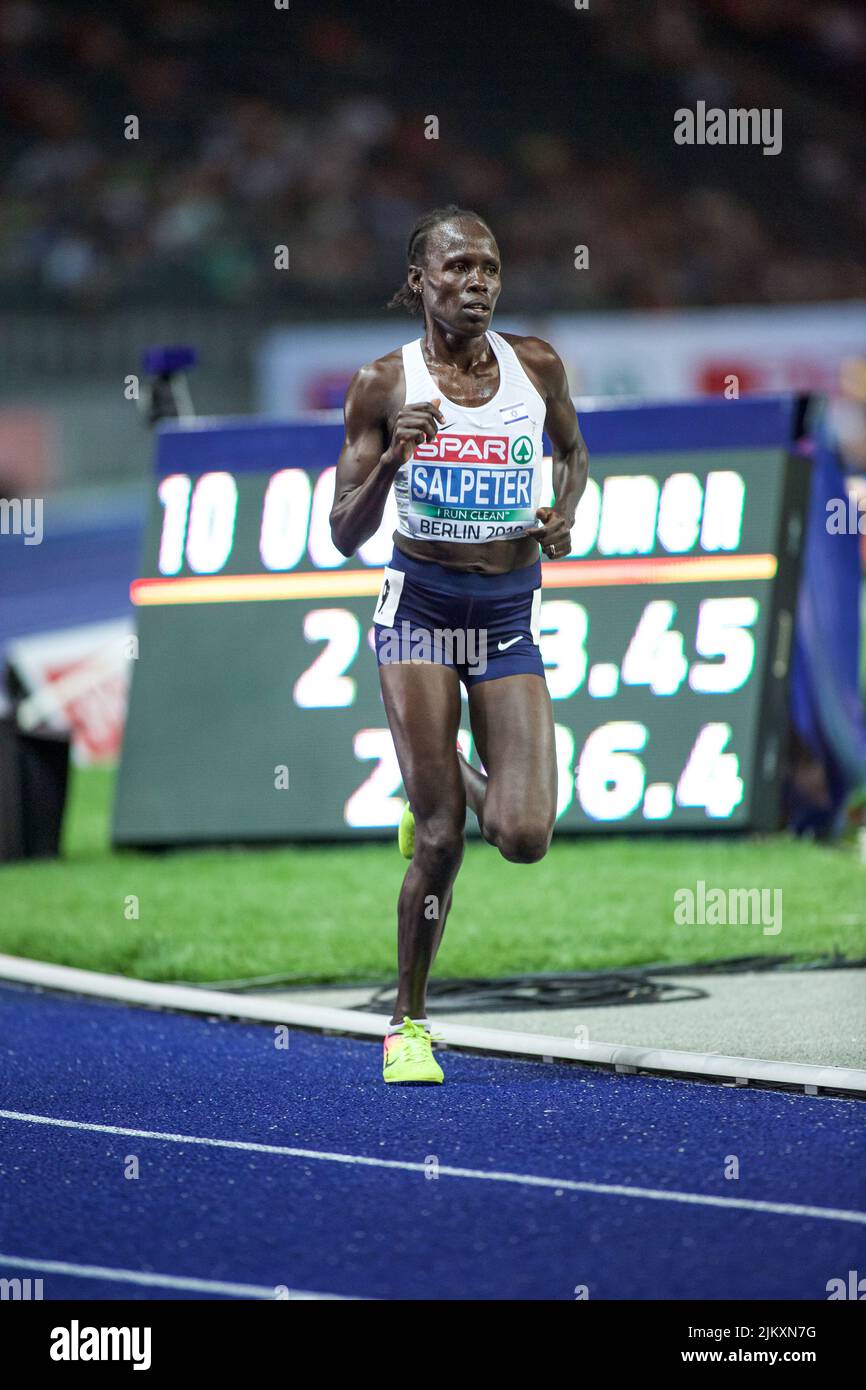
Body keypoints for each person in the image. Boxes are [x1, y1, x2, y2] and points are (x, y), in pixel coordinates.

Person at [330, 205, 589, 1083]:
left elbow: (575, 455)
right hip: (420, 614)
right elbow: (341, 532)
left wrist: (564, 515)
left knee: (520, 834)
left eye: (489, 268)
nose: (476, 285)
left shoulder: (538, 364)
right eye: (457, 270)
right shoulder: (381, 384)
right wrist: (392, 465)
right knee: (442, 836)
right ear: (419, 282)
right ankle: (409, 1024)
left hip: (508, 617)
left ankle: (434, 764)